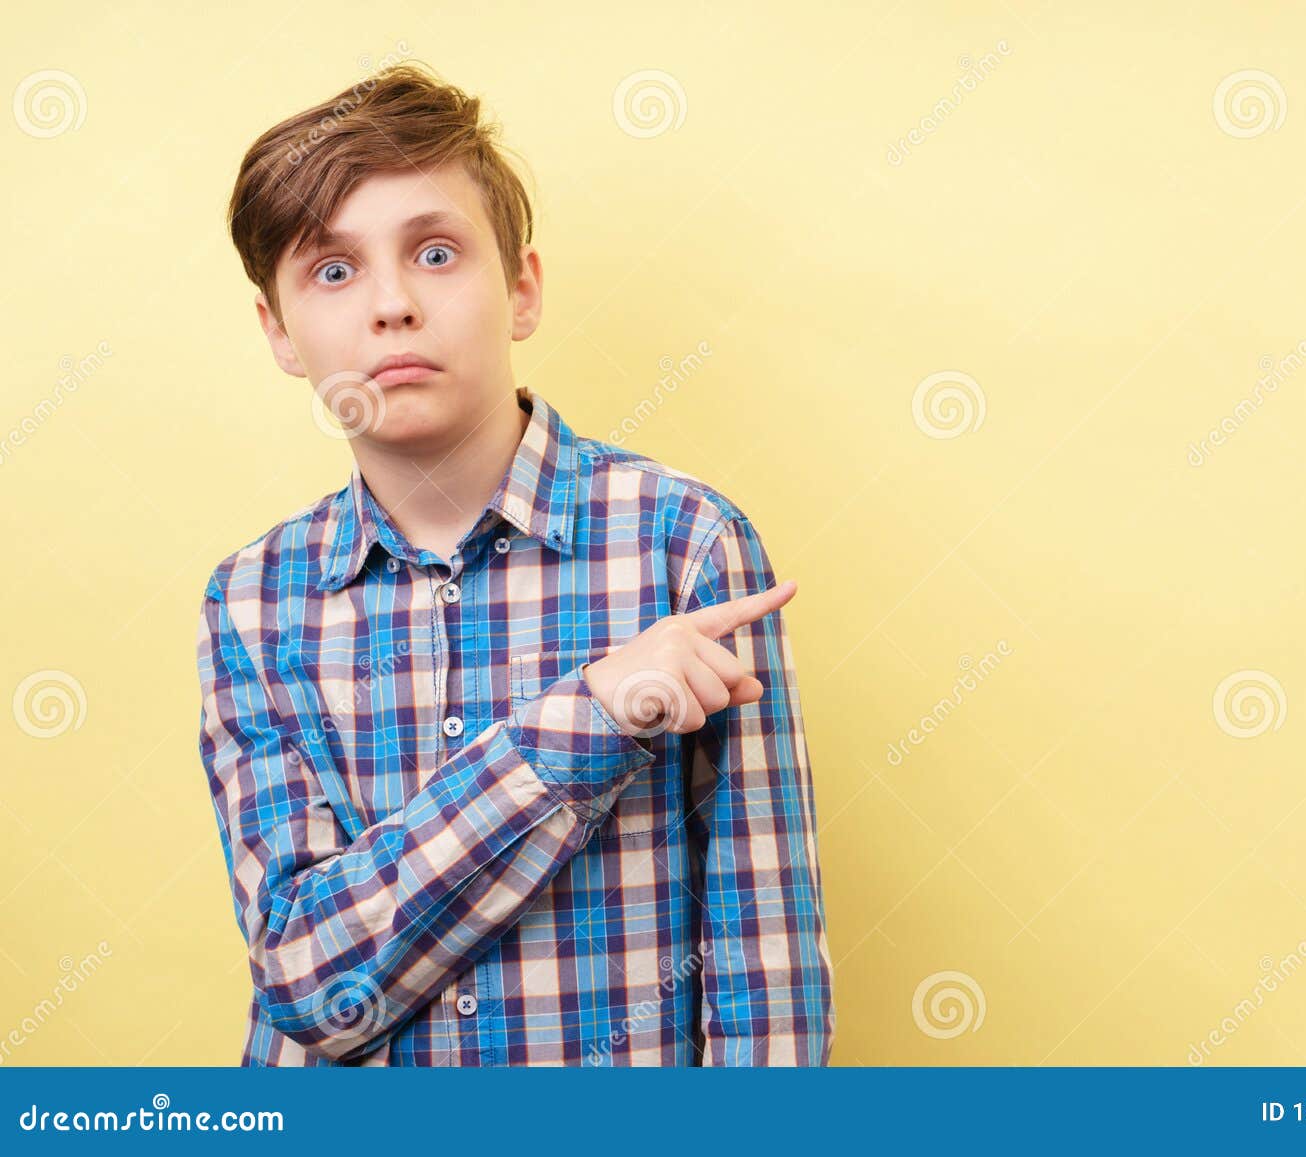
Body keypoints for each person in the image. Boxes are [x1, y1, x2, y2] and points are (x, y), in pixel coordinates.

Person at [194, 62, 834, 1066]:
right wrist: (593, 714)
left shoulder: (685, 543)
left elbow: (768, 974)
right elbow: (314, 983)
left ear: (521, 288)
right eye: (332, 270)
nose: (393, 303)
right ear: (279, 330)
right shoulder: (253, 601)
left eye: (437, 252)